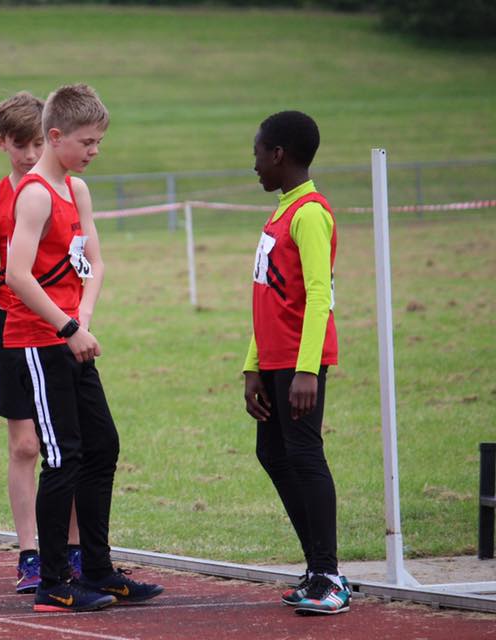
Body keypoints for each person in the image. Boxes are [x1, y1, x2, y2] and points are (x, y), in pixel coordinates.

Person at [5, 84, 163, 613]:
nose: (95, 150)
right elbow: (17, 275)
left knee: (102, 446)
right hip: (38, 342)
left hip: (72, 339)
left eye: (99, 141)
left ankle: (97, 568)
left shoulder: (77, 190)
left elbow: (93, 261)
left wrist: (83, 319)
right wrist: (67, 327)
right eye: (87, 142)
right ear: (55, 136)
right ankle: (53, 582)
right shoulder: (34, 194)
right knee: (62, 456)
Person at [0, 92, 82, 594]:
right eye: (20, 146)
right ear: (2, 144)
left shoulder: (63, 188)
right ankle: (29, 553)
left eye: (37, 144)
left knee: (67, 444)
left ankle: (74, 551)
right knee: (26, 445)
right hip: (13, 330)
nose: (30, 155)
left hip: (57, 326)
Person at [243, 110, 351, 615]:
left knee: (304, 456)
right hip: (273, 360)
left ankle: (329, 576)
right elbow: (266, 294)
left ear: (278, 154)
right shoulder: (281, 211)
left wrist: (307, 370)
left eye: (257, 153)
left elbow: (318, 294)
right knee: (272, 453)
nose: (254, 164)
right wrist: (252, 367)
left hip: (298, 361)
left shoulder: (310, 213)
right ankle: (316, 567)